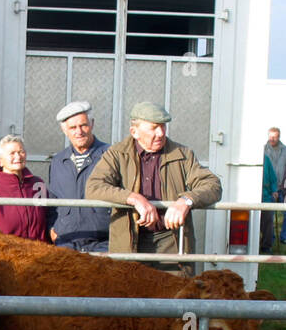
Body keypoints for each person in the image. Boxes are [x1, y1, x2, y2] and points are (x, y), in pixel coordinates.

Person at [84, 102, 221, 275]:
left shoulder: (183, 154)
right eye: (154, 128)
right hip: (129, 242)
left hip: (171, 241)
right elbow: (94, 186)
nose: (161, 133)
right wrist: (134, 198)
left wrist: (186, 201)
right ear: (134, 132)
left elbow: (212, 184)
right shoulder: (117, 154)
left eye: (163, 127)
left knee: (174, 297)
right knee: (129, 296)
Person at [47, 99, 111, 250]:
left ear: (92, 124)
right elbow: (52, 200)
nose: (79, 131)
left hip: (102, 242)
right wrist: (52, 227)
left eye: (83, 125)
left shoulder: (110, 156)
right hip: (66, 241)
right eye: (73, 127)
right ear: (65, 130)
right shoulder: (58, 161)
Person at [0, 134, 48, 242]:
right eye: (12, 153)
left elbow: (48, 216)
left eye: (21, 152)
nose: (18, 157)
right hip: (8, 255)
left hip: (40, 253)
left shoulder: (38, 184)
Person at [262, 127, 286, 251]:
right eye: (271, 136)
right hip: (266, 190)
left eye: (275, 136)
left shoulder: (285, 150)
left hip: (282, 186)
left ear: (279, 137)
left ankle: (285, 236)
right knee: (269, 216)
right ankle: (270, 240)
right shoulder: (263, 150)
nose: (272, 139)